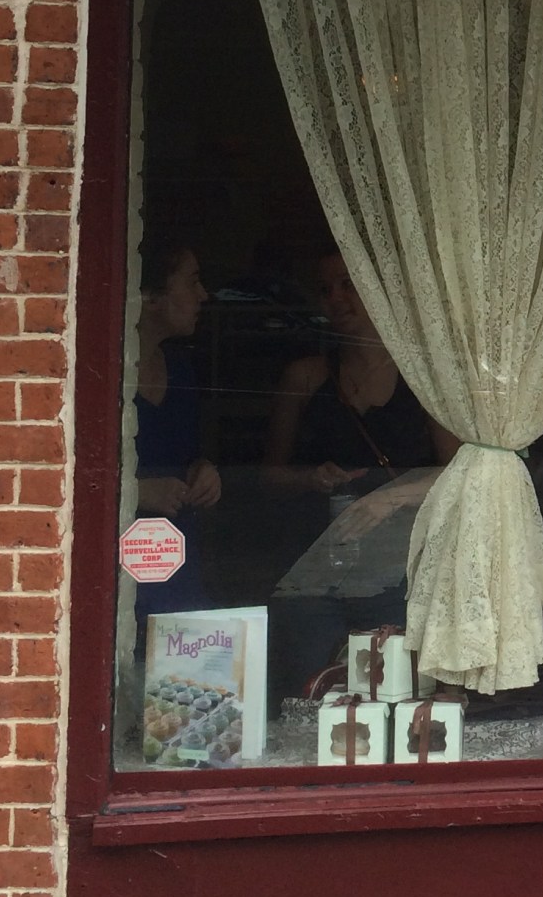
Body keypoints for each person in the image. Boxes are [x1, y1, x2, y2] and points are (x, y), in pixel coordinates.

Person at [264, 247, 457, 515]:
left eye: (347, 284)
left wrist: (393, 498)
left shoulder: (423, 377)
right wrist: (309, 478)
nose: (336, 298)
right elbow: (269, 477)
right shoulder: (303, 377)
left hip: (402, 540)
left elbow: (456, 472)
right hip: (325, 537)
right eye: (324, 290)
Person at [133, 240, 222, 621]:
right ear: (151, 295)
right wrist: (134, 492)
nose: (203, 295)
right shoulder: (100, 369)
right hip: (110, 563)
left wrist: (207, 471)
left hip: (176, 559)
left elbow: (191, 453)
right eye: (192, 282)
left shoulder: (181, 369)